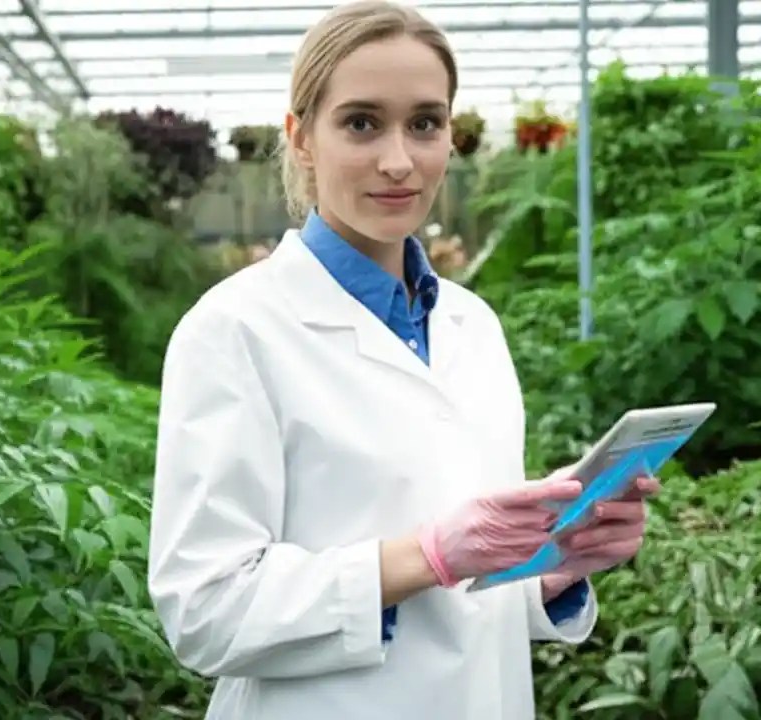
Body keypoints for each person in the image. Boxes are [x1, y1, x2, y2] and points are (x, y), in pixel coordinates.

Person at [146, 2, 660, 717]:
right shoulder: (235, 330)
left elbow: (471, 601)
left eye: (425, 123)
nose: (399, 160)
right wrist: (429, 555)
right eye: (361, 123)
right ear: (301, 139)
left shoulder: (471, 325)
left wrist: (553, 566)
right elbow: (205, 611)